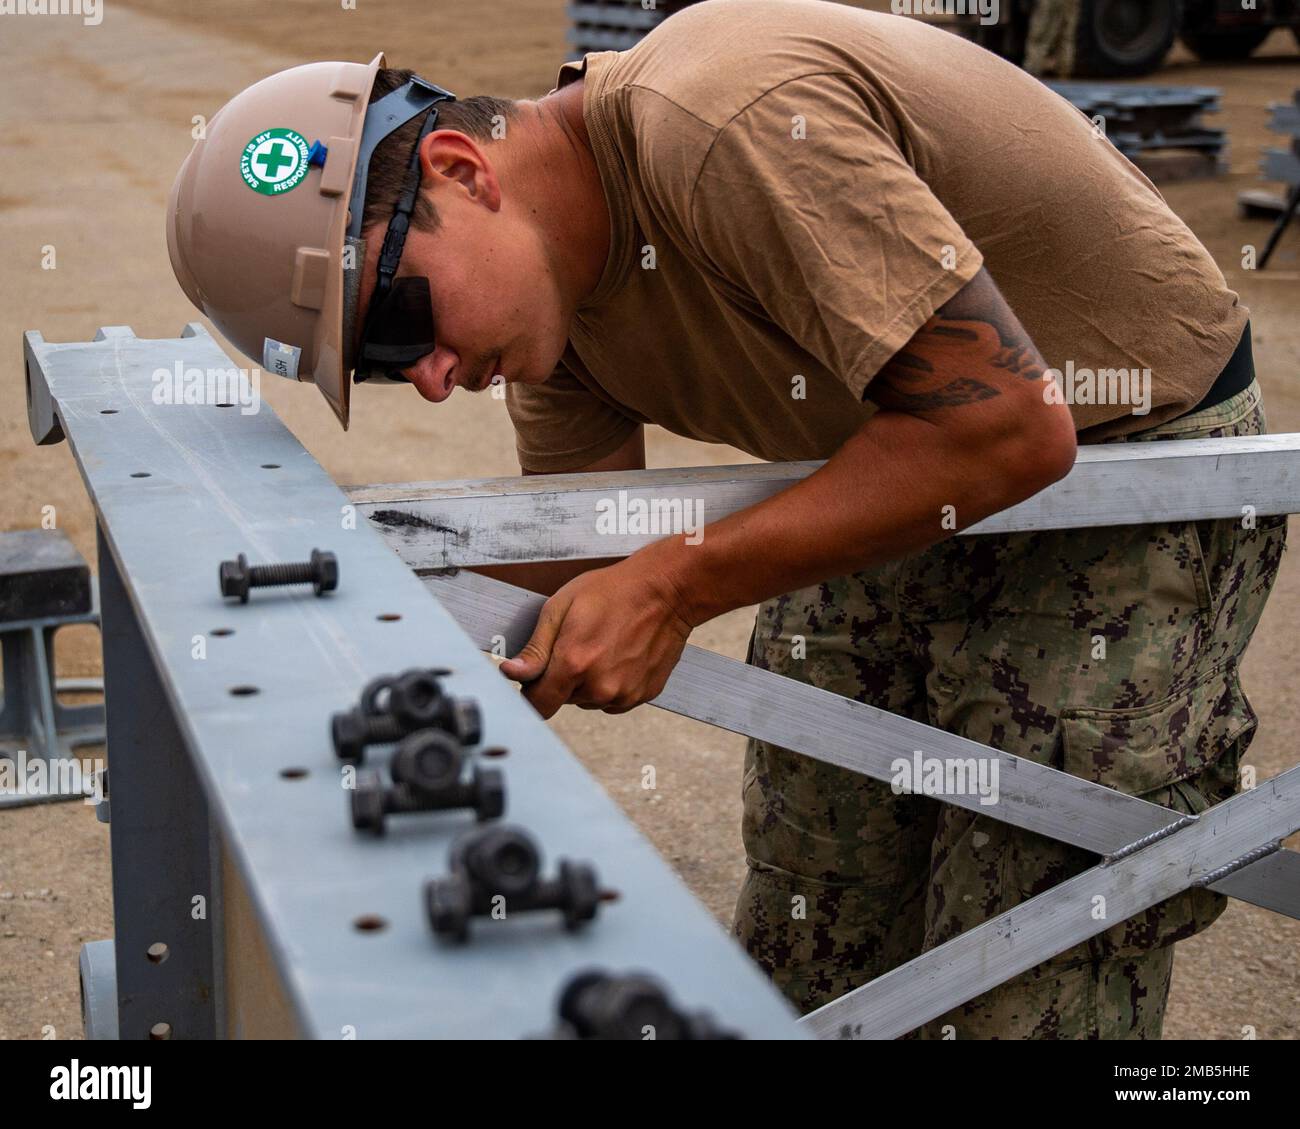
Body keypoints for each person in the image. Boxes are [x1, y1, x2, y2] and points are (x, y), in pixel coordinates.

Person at [167, 0, 1285, 1038]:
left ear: (463, 170)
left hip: (1125, 457)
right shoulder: (551, 307)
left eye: (398, 320)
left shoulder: (723, 121)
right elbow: (575, 562)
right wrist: (348, 689)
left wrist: (676, 583)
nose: (427, 376)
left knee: (1025, 929)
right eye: (378, 364)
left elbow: (1006, 432)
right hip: (897, 447)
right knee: (819, 900)